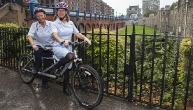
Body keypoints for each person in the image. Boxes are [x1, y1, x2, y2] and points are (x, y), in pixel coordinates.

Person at [52, 2, 91, 96]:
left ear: (66, 12)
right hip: (58, 46)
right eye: (59, 10)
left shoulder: (70, 23)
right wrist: (61, 41)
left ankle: (65, 88)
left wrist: (85, 38)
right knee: (70, 56)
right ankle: (54, 67)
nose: (61, 12)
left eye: (63, 10)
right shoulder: (54, 23)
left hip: (68, 46)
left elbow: (77, 33)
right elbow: (54, 35)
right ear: (57, 12)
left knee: (67, 69)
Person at [27, 8, 54, 89]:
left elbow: (56, 34)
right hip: (38, 44)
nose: (40, 17)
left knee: (48, 63)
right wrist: (33, 45)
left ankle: (44, 82)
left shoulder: (51, 24)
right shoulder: (34, 25)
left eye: (41, 15)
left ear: (45, 15)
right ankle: (36, 68)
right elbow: (30, 36)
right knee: (38, 52)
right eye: (38, 16)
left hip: (49, 45)